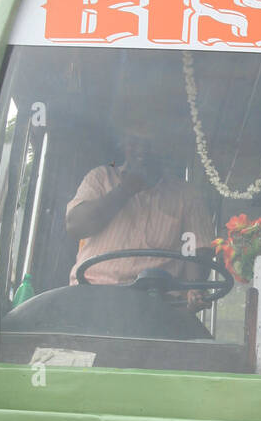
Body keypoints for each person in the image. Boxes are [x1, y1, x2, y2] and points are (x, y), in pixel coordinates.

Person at [66, 117, 214, 296]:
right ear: (123, 145)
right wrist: (126, 190)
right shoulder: (100, 178)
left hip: (155, 304)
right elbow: (75, 226)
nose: (142, 151)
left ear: (164, 148)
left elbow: (198, 253)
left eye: (150, 143)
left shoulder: (187, 195)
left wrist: (193, 290)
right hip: (91, 294)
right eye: (135, 142)